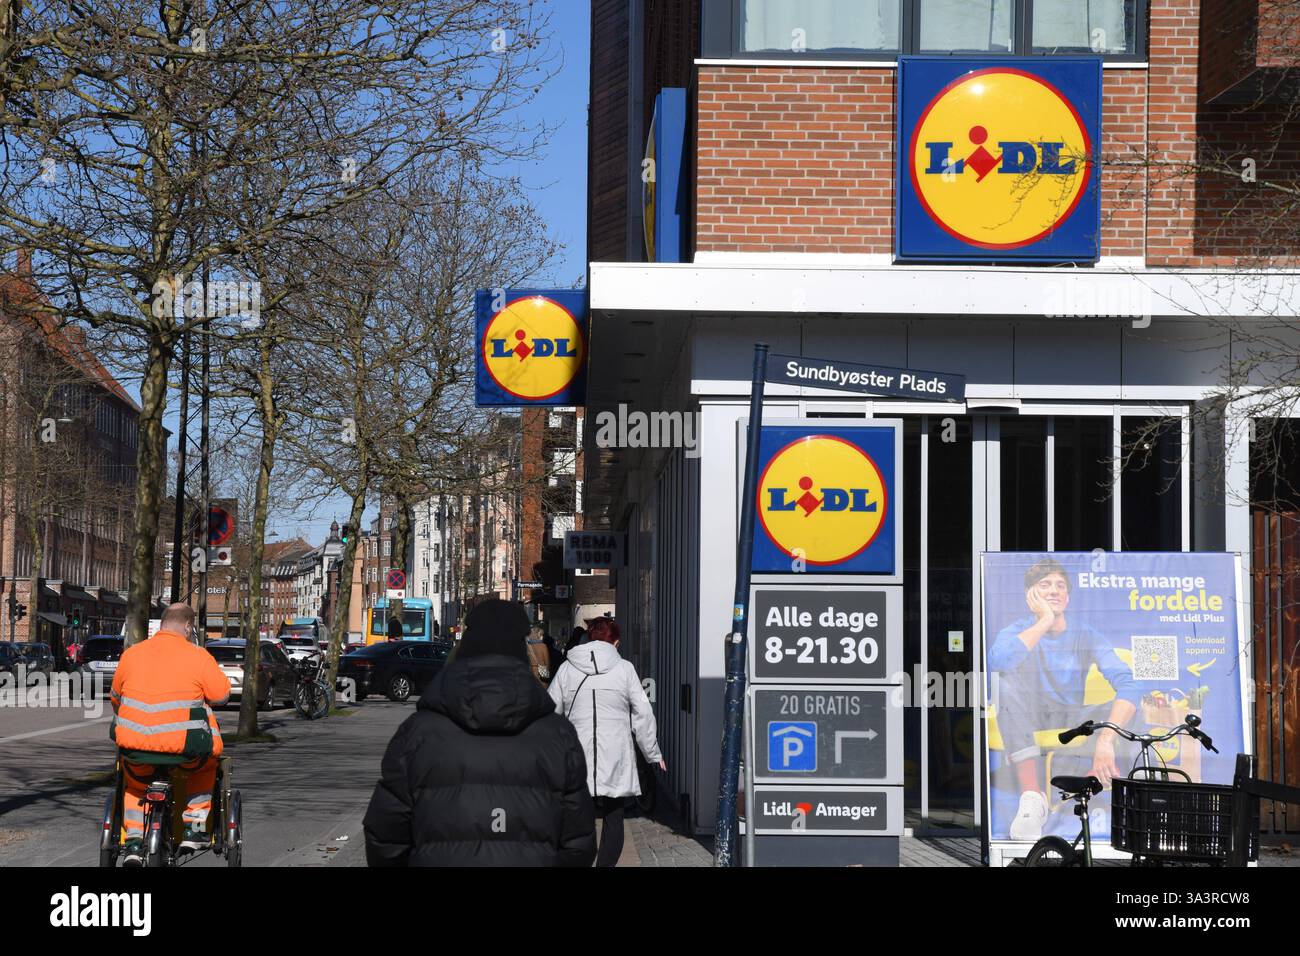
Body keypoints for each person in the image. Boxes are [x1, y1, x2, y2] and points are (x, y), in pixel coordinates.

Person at [363, 599, 596, 866]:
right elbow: (579, 842)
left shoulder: (418, 733)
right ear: (521, 652)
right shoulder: (557, 736)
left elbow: (386, 835)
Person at [989, 558, 1140, 841]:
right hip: (1030, 713)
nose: (1054, 591)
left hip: (1073, 716)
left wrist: (1106, 738)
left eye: (1060, 586)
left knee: (1127, 704)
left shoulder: (1085, 634)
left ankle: (1104, 783)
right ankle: (1033, 798)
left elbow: (1129, 683)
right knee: (1004, 684)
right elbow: (998, 662)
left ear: (1068, 597)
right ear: (1030, 596)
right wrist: (1045, 620)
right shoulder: (1015, 632)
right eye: (1045, 585)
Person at [110, 603, 230, 865]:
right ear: (188, 627)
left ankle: (132, 840)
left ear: (162, 626)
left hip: (136, 746)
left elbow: (116, 698)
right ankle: (194, 829)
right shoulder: (198, 656)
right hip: (184, 750)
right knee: (206, 766)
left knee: (134, 780)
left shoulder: (131, 655)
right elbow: (221, 695)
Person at [548, 616, 665, 868]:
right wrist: (652, 753)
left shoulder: (567, 669)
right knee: (614, 817)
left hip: (576, 756)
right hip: (616, 755)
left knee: (579, 820)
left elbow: (549, 712)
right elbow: (643, 714)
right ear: (616, 641)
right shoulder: (624, 669)